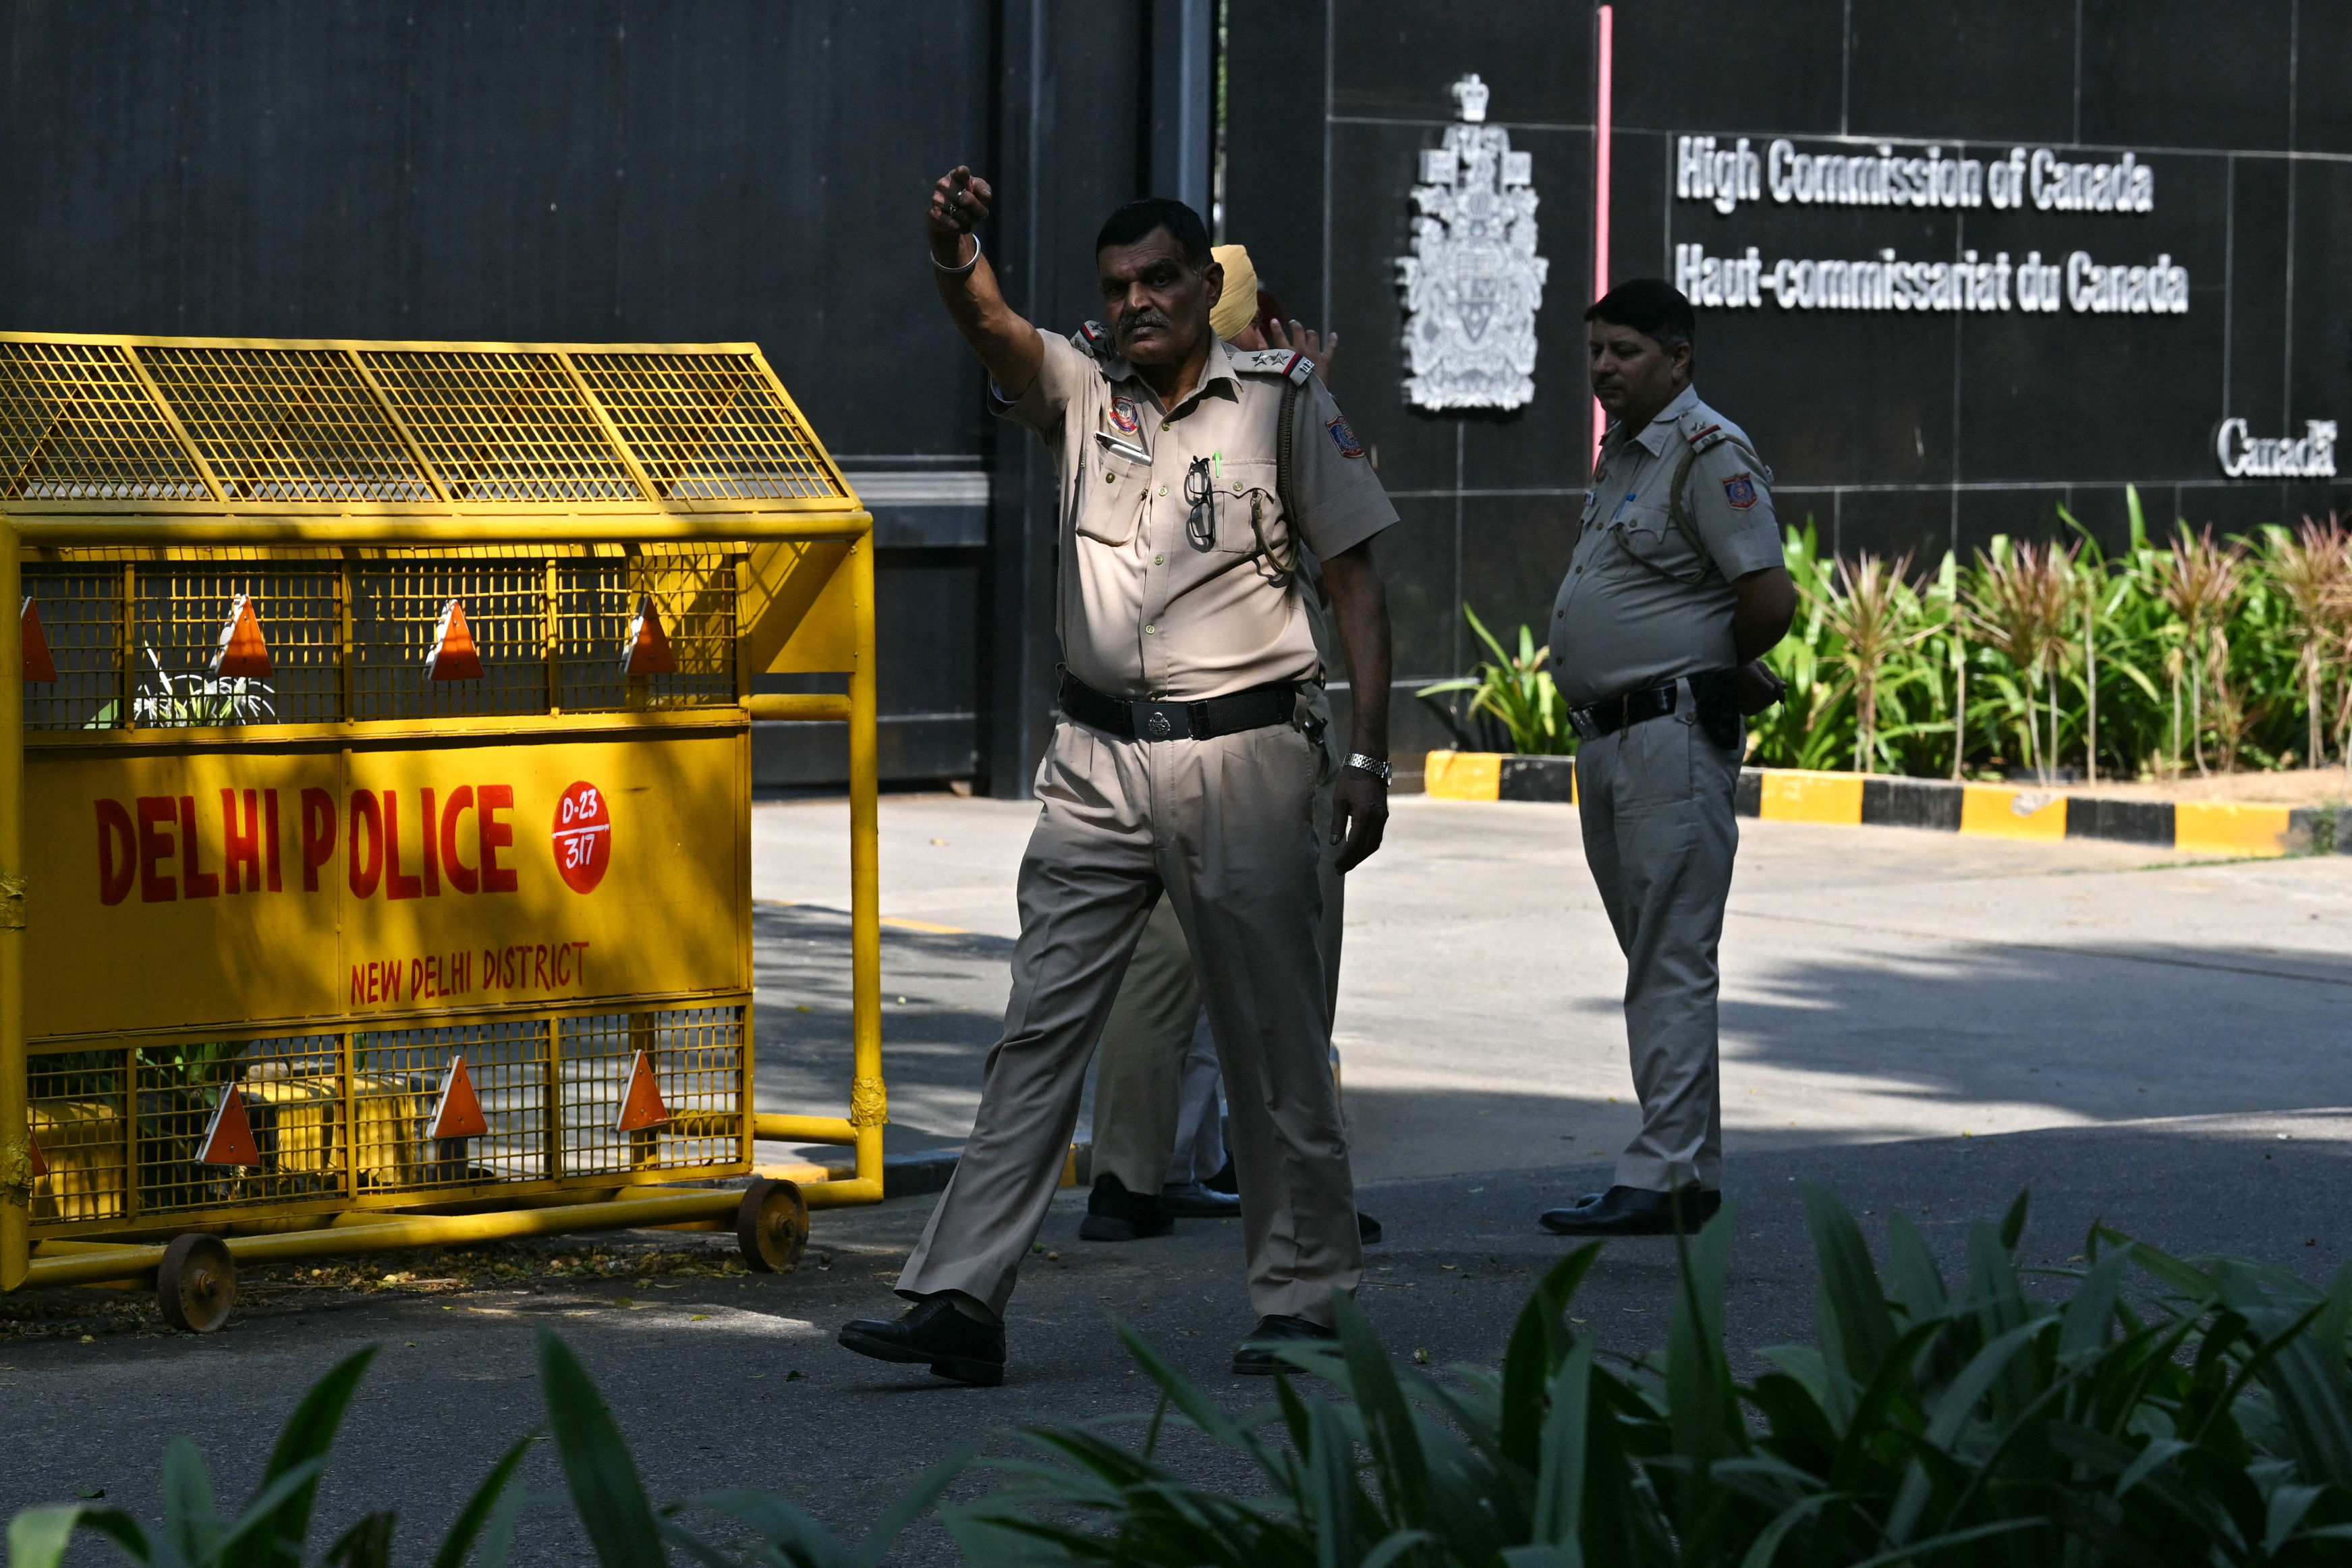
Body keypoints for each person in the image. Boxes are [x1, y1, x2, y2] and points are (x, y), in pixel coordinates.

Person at [837, 169, 1399, 1384]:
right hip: (1095, 759)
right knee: (1038, 1028)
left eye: (1157, 281)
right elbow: (991, 327)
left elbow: (1354, 578)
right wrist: (954, 248)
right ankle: (960, 1298)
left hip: (1246, 755)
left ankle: (1304, 1301)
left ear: (1207, 287)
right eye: (1114, 287)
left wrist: (1365, 757)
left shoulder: (1282, 399)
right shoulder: (1082, 392)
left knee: (1270, 1039)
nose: (1135, 303)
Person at [1080, 246, 1370, 1245]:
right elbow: (1343, 562)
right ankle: (1289, 1199)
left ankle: (1131, 1174)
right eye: (1263, 328)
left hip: (1156, 738)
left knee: (1159, 974)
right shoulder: (1260, 406)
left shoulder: (1183, 402)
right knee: (1290, 971)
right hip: (1246, 737)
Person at [1537, 278, 1794, 1239]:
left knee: (1669, 957)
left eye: (1625, 352)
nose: (1604, 369)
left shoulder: (1705, 451)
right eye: (1596, 351)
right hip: (1612, 740)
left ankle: (1663, 1175)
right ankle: (1685, 1168)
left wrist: (1716, 676)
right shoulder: (1624, 457)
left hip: (1667, 737)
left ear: (1677, 359)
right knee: (1656, 957)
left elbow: (1767, 597)